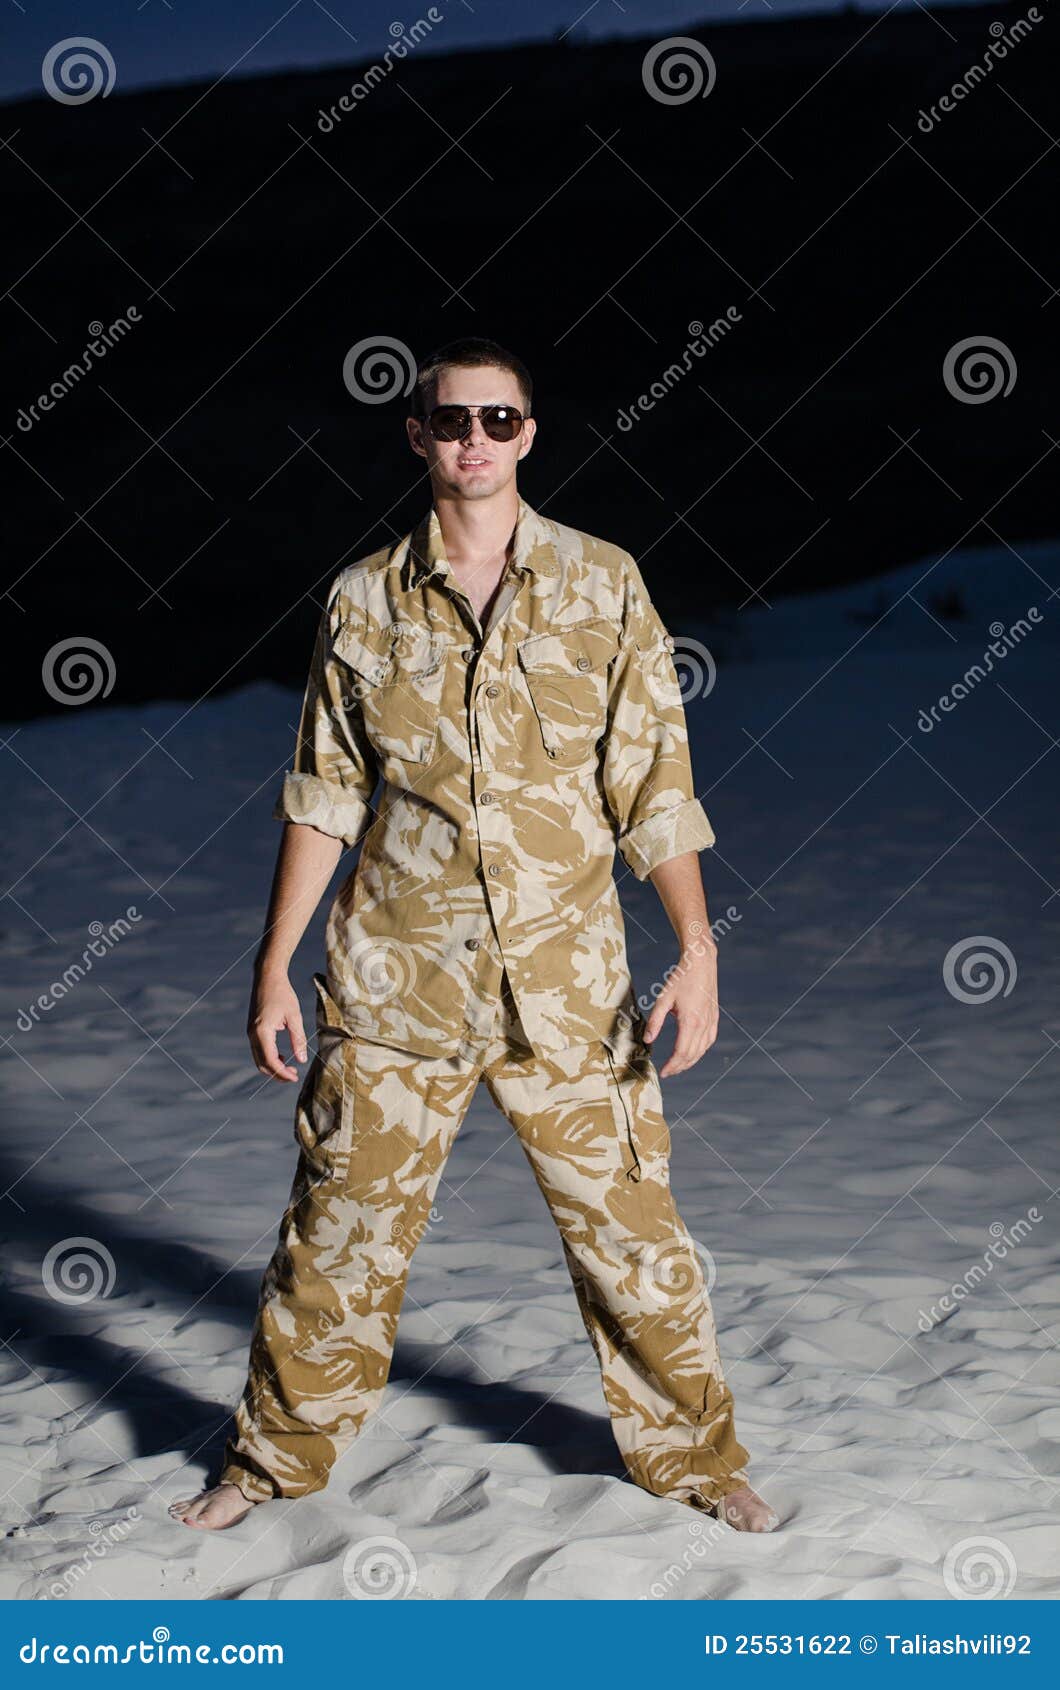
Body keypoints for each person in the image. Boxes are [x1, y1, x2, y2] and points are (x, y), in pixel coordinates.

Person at [170, 337, 778, 1535]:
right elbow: (324, 793)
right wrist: (273, 962)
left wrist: (697, 953)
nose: (474, 442)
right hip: (396, 984)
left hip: (567, 986)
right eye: (452, 422)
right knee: (334, 1241)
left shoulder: (604, 585)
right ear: (417, 437)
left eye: (499, 421)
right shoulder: (360, 600)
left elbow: (655, 790)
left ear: (530, 436)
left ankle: (695, 1458)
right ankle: (273, 1460)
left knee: (635, 1240)